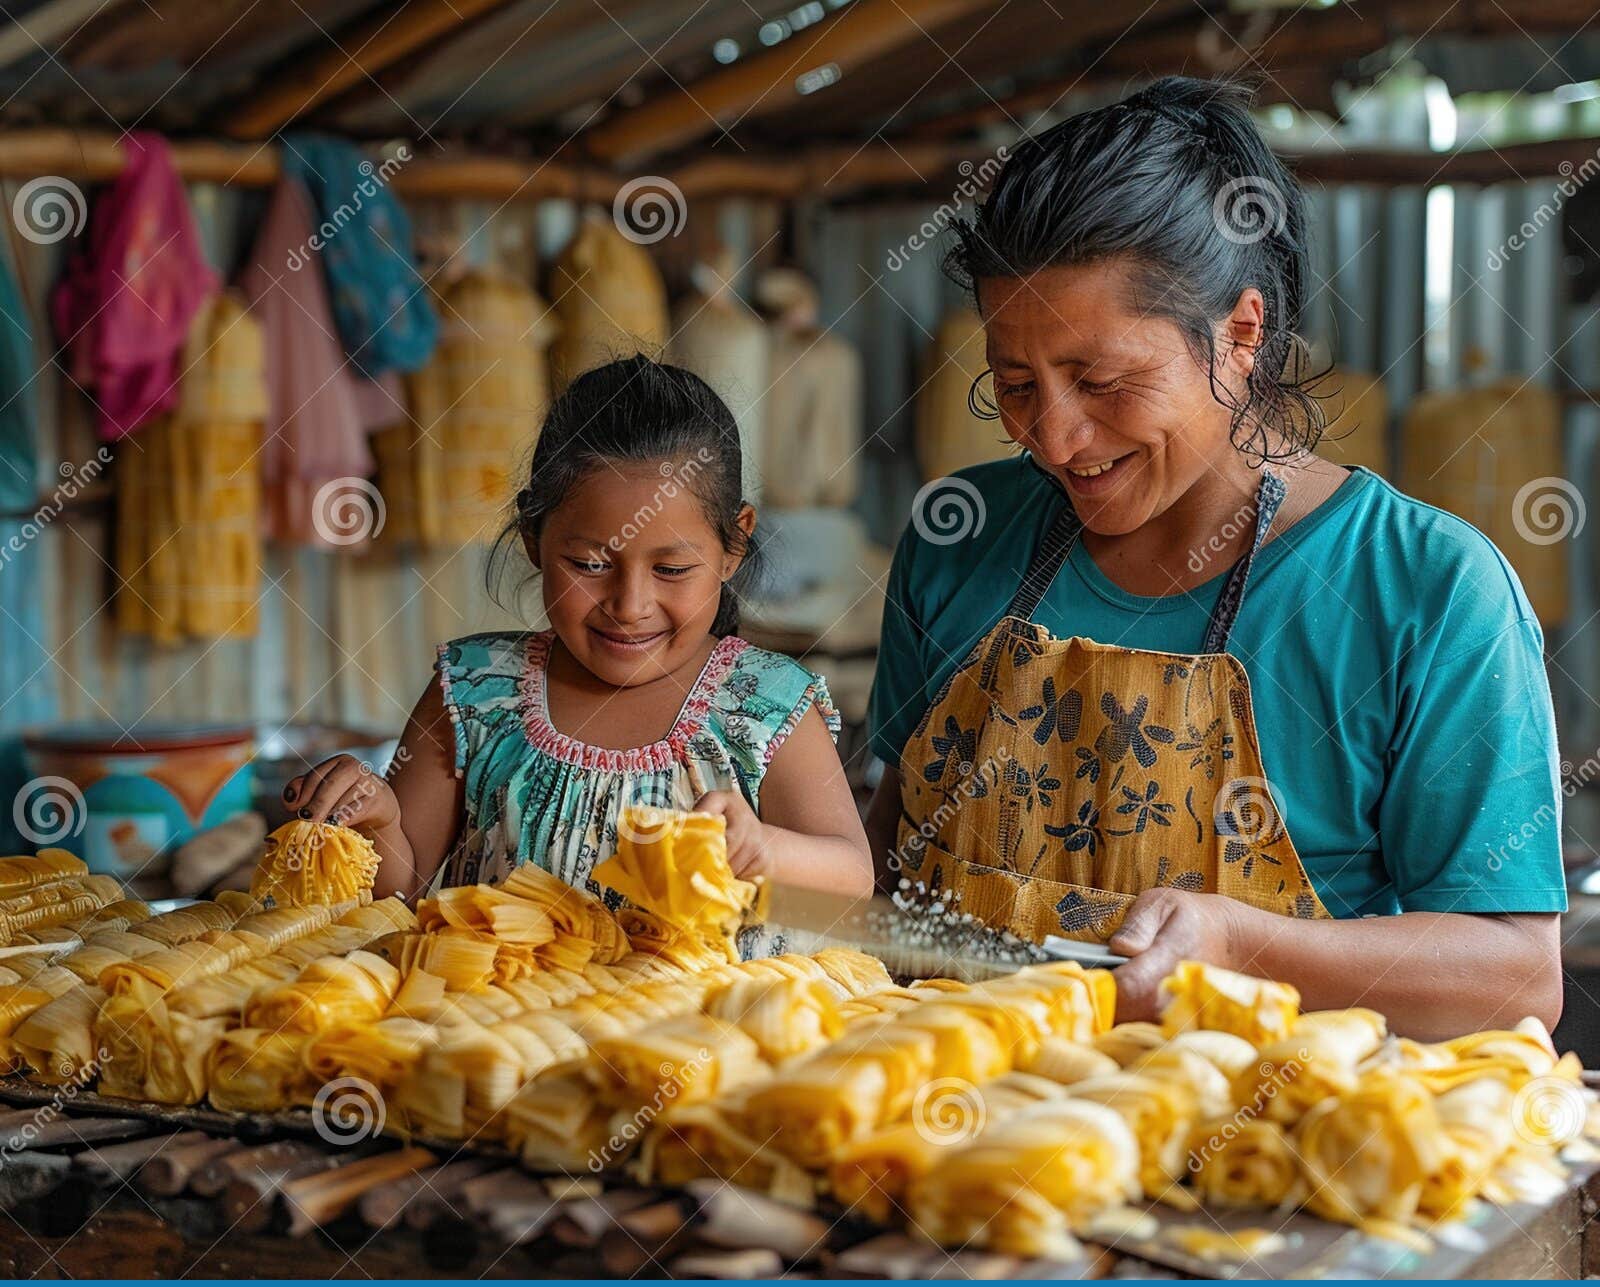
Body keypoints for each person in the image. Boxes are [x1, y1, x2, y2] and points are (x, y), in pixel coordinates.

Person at [864, 77, 1565, 1038]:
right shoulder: (959, 540)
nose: (1055, 439)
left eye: (1102, 381)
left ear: (1240, 336)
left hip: (1252, 1161)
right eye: (1015, 383)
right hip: (937, 1145)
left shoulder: (1427, 589)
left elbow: (1516, 980)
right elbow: (881, 871)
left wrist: (1245, 947)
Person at [286, 355, 873, 904]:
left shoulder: (766, 707)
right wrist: (379, 818)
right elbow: (396, 892)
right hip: (499, 1013)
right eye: (590, 565)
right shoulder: (473, 693)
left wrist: (762, 848)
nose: (630, 604)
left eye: (671, 570)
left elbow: (851, 876)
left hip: (702, 1014)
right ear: (533, 538)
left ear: (734, 543)